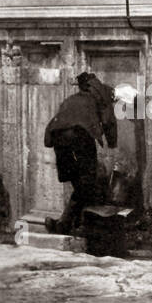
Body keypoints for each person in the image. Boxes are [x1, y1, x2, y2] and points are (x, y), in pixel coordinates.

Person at [43, 71, 117, 235]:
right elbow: (109, 120)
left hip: (58, 136)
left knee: (79, 182)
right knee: (87, 180)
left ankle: (68, 223)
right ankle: (78, 224)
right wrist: (112, 144)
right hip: (79, 133)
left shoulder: (72, 99)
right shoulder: (102, 95)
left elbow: (58, 121)